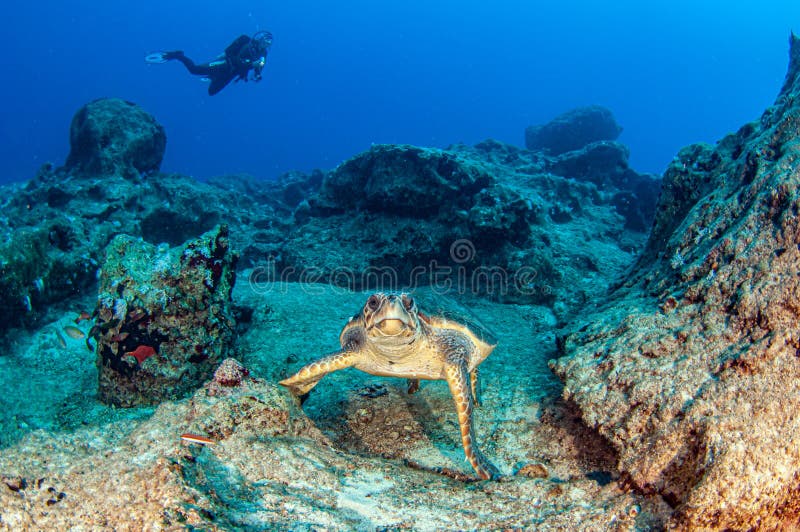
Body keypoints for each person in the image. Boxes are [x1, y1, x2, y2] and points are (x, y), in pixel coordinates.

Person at [146, 31, 273, 96]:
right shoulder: (248, 43)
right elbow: (235, 58)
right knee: (194, 70)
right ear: (261, 38)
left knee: (211, 92)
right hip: (226, 64)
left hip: (232, 74)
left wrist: (257, 75)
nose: (266, 44)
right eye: (266, 41)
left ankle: (213, 76)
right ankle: (178, 55)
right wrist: (251, 64)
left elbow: (256, 71)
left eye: (269, 43)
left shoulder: (263, 55)